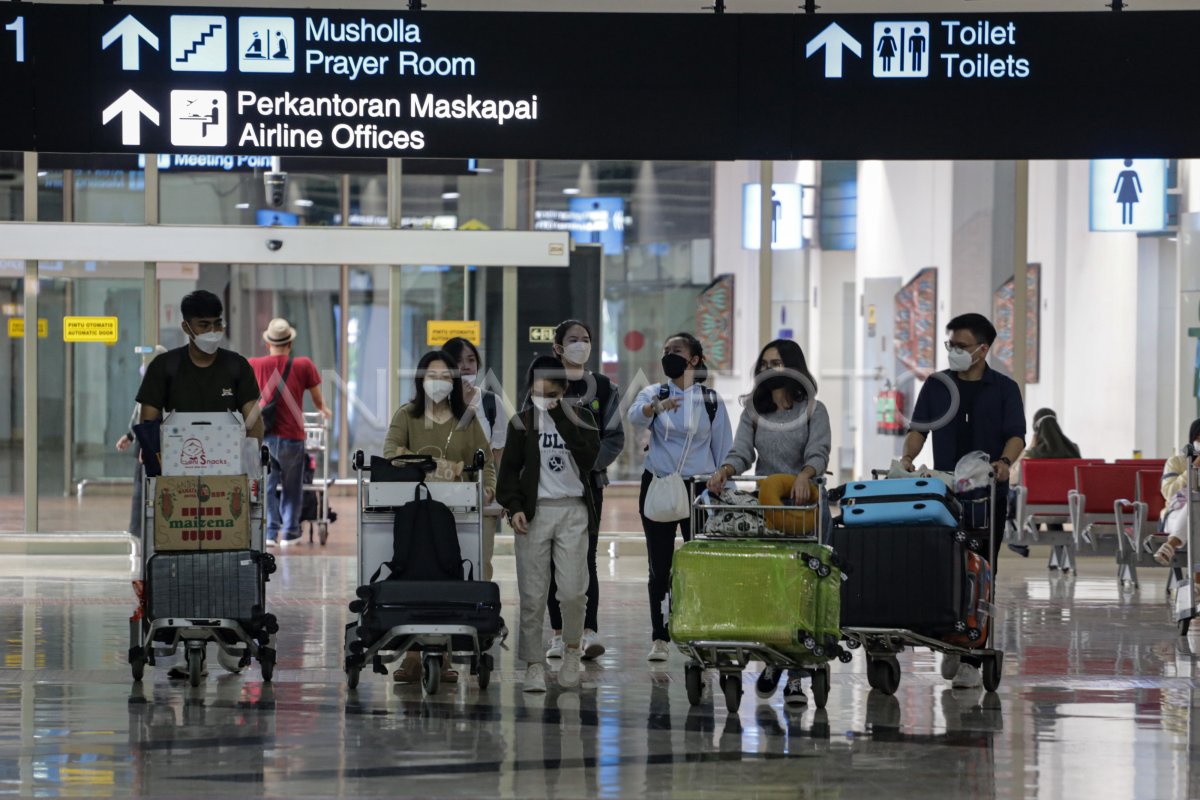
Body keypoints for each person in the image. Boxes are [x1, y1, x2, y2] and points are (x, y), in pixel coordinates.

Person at [135, 290, 264, 681]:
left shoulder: (237, 367)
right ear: (187, 327)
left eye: (217, 324)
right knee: (177, 557)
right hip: (176, 482)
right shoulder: (165, 367)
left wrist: (251, 462)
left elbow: (254, 420)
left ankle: (232, 633)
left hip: (228, 482)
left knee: (230, 553)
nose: (212, 332)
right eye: (204, 325)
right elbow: (149, 421)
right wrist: (158, 465)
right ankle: (173, 632)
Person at [902, 312, 1025, 689]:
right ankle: (951, 640)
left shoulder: (1004, 388)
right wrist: (907, 460)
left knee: (982, 571)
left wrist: (1004, 464)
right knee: (944, 568)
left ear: (983, 349)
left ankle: (973, 652)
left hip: (988, 494)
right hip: (944, 493)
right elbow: (919, 430)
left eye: (961, 345)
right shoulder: (938, 386)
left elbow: (1017, 436)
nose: (953, 351)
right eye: (950, 344)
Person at [706, 339, 830, 707]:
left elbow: (818, 452)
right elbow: (742, 451)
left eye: (775, 362)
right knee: (771, 586)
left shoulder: (813, 410)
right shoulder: (754, 412)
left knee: (802, 587)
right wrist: (725, 470)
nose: (767, 369)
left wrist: (806, 475)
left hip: (803, 508)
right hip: (768, 508)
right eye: (763, 363)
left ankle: (796, 676)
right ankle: (774, 658)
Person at [382, 349, 496, 684]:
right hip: (415, 512)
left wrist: (487, 489)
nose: (440, 383)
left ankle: (444, 656)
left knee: (450, 577)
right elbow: (390, 453)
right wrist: (433, 466)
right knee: (415, 577)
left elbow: (486, 463)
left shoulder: (468, 420)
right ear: (420, 380)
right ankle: (412, 655)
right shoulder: (406, 415)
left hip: (458, 514)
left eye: (446, 377)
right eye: (433, 376)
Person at [497, 356, 600, 692]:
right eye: (539, 391)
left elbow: (589, 459)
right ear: (530, 388)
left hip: (573, 511)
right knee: (532, 594)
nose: (545, 397)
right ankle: (533, 664)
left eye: (552, 392)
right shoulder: (522, 422)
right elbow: (508, 472)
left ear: (565, 389)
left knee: (572, 592)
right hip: (535, 512)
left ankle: (572, 649)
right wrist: (514, 507)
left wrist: (560, 414)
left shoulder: (582, 418)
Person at [629, 332, 733, 662]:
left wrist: (725, 490)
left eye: (677, 350)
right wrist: (655, 407)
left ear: (694, 360)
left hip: (699, 489)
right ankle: (660, 636)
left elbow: (724, 449)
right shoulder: (654, 392)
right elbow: (634, 417)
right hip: (659, 483)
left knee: (700, 563)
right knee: (659, 566)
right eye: (665, 350)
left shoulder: (711, 401)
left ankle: (698, 630)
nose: (669, 355)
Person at [545, 319, 626, 662]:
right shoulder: (545, 385)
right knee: (551, 559)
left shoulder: (604, 387)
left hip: (588, 488)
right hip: (549, 488)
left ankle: (588, 630)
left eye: (586, 339)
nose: (581, 344)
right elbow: (531, 430)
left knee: (586, 557)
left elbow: (615, 438)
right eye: (573, 339)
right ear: (558, 349)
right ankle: (559, 633)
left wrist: (589, 463)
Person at [249, 318, 333, 547]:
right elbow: (317, 399)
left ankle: (269, 533)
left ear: (268, 343)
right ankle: (289, 532)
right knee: (292, 487)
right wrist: (324, 410)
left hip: (265, 437)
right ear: (290, 343)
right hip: (292, 437)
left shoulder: (255, 364)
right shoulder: (303, 365)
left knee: (268, 485)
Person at [442, 336, 507, 581]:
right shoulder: (437, 403)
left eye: (471, 360)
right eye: (458, 361)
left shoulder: (491, 403)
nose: (466, 366)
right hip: (444, 496)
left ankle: (479, 611)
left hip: (482, 497)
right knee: (445, 563)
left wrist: (502, 494)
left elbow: (498, 452)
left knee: (480, 563)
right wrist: (464, 406)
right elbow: (442, 447)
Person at [1007, 408, 1081, 559]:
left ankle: (1019, 540)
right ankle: (1061, 556)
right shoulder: (1073, 449)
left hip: (1034, 508)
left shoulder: (1033, 454)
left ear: (1036, 429)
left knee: (1018, 495)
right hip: (1069, 507)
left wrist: (1028, 450)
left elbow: (1012, 478)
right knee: (1052, 499)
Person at [116, 345, 167, 536]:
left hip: (153, 443)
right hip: (146, 441)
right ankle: (138, 531)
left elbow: (156, 418)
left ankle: (143, 532)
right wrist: (130, 436)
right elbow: (139, 413)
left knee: (148, 488)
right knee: (141, 486)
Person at [1154, 418, 1200, 566]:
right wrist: (1193, 468)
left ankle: (1169, 546)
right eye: (1198, 438)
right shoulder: (1176, 462)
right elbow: (1169, 493)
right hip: (1176, 512)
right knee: (1195, 505)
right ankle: (1172, 543)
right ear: (1193, 439)